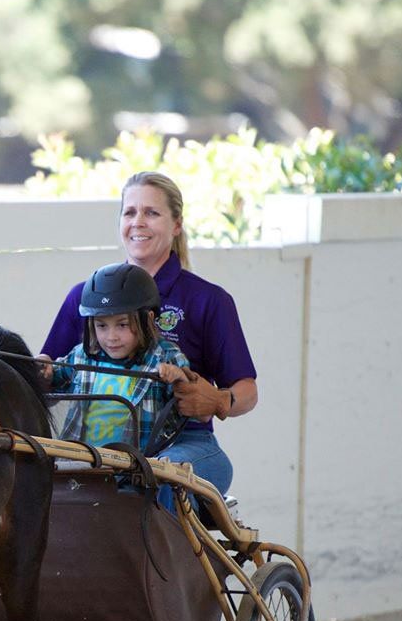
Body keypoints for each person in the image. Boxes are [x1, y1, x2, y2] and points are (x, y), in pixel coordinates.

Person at [41, 171, 257, 511]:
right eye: (130, 213)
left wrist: (218, 400)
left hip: (183, 441)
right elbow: (51, 369)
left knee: (159, 475)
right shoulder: (86, 296)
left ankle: (155, 564)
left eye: (151, 213)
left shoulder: (208, 300)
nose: (138, 222)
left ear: (176, 225)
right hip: (97, 441)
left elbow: (248, 391)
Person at [38, 262, 188, 454]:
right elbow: (51, 382)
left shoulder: (167, 357)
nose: (111, 337)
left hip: (135, 469)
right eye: (101, 326)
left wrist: (178, 377)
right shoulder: (81, 355)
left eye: (122, 325)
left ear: (148, 319)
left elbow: (190, 399)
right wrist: (44, 370)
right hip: (79, 463)